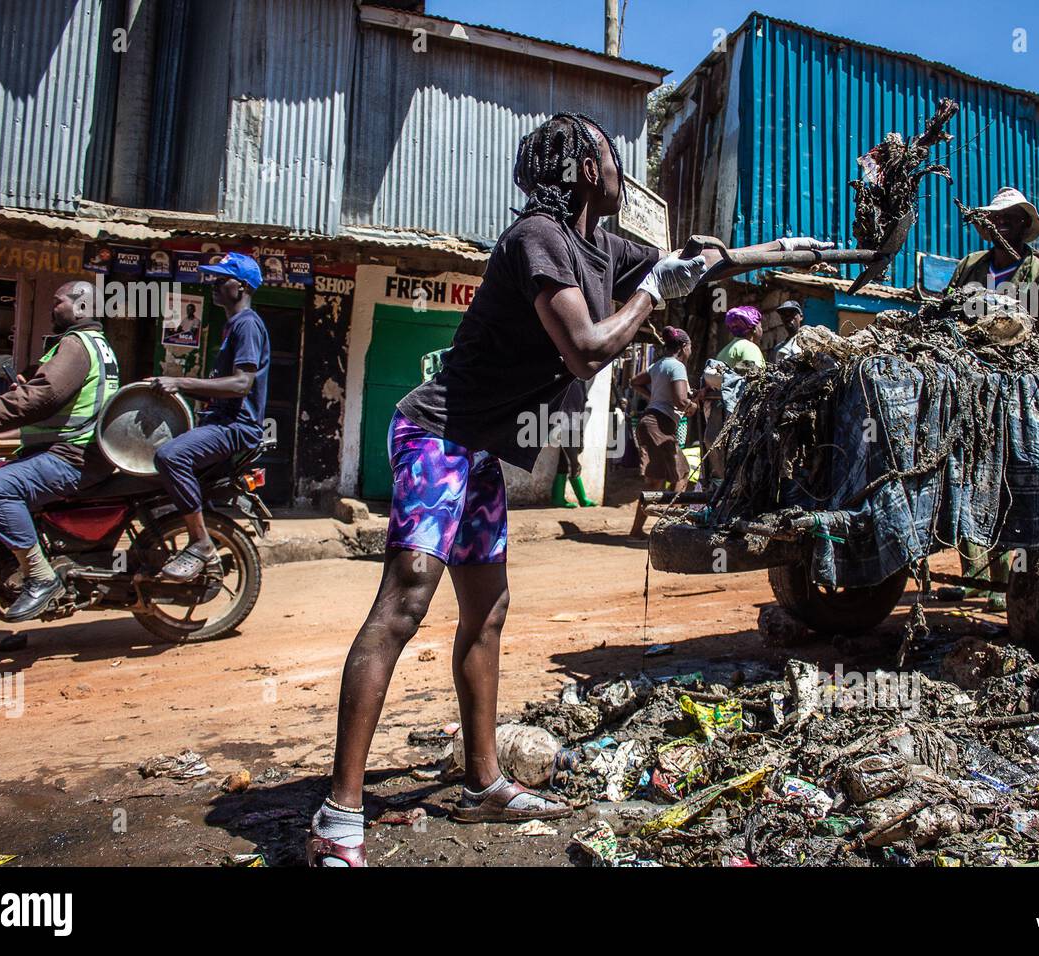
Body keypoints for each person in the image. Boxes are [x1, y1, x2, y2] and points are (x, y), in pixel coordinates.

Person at [307, 111, 804, 867]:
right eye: (610, 153)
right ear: (580, 167)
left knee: (488, 609)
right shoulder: (539, 237)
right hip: (435, 434)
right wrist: (653, 297)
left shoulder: (601, 247)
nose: (619, 167)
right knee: (408, 599)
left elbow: (690, 263)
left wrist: (772, 253)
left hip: (477, 453)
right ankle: (338, 817)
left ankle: (483, 784)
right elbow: (586, 350)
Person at [0, 280, 119, 640]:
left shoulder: (76, 345)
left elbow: (39, 398)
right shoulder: (93, 344)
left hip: (70, 457)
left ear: (81, 306)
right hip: (65, 451)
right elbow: (44, 394)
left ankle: (41, 577)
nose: (51, 307)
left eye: (57, 301)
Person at [944, 187, 1039, 612]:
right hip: (969, 393)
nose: (997, 227)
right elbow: (945, 318)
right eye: (992, 220)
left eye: (1006, 220)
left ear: (1021, 226)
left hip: (1017, 400)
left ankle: (1011, 583)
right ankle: (978, 581)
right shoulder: (969, 268)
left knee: (1011, 488)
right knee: (967, 478)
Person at [147, 253, 270, 582]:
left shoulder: (247, 324)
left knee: (170, 457)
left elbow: (242, 383)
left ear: (241, 286)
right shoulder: (234, 325)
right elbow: (221, 388)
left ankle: (201, 544)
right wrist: (169, 388)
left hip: (236, 427)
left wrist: (181, 381)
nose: (214, 285)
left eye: (221, 280)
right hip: (221, 421)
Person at [947, 186, 1039, 356]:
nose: (1001, 222)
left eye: (1011, 217)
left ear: (1026, 223)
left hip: (1017, 374)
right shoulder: (968, 266)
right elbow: (944, 313)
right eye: (996, 217)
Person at [628, 326, 698, 538]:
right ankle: (672, 528)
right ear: (684, 347)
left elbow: (634, 382)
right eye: (690, 347)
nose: (690, 352)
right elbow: (680, 400)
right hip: (659, 425)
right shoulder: (677, 366)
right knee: (682, 473)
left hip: (649, 422)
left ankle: (637, 530)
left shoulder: (658, 365)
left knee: (655, 481)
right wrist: (693, 406)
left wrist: (654, 399)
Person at [700, 305, 765, 486]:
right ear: (753, 328)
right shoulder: (749, 348)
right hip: (735, 418)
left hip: (717, 417)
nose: (762, 330)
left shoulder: (726, 349)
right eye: (760, 325)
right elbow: (755, 378)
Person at [550, 379, 595, 508]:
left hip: (572, 426)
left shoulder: (579, 383)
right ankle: (583, 499)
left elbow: (581, 407)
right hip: (565, 426)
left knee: (564, 462)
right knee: (574, 463)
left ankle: (557, 498)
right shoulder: (572, 383)